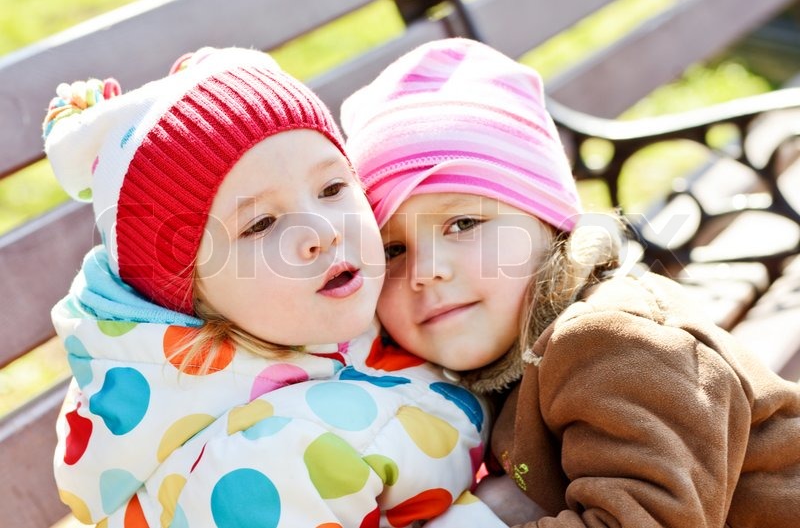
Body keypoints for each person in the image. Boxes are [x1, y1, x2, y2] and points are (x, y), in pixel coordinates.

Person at [341, 37, 800, 528]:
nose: (425, 269)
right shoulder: (513, 354)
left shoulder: (608, 342)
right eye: (392, 250)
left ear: (549, 223)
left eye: (464, 223)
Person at [43, 46, 494, 528]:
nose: (323, 231)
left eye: (332, 189)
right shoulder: (262, 466)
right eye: (260, 224)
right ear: (189, 295)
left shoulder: (343, 329)